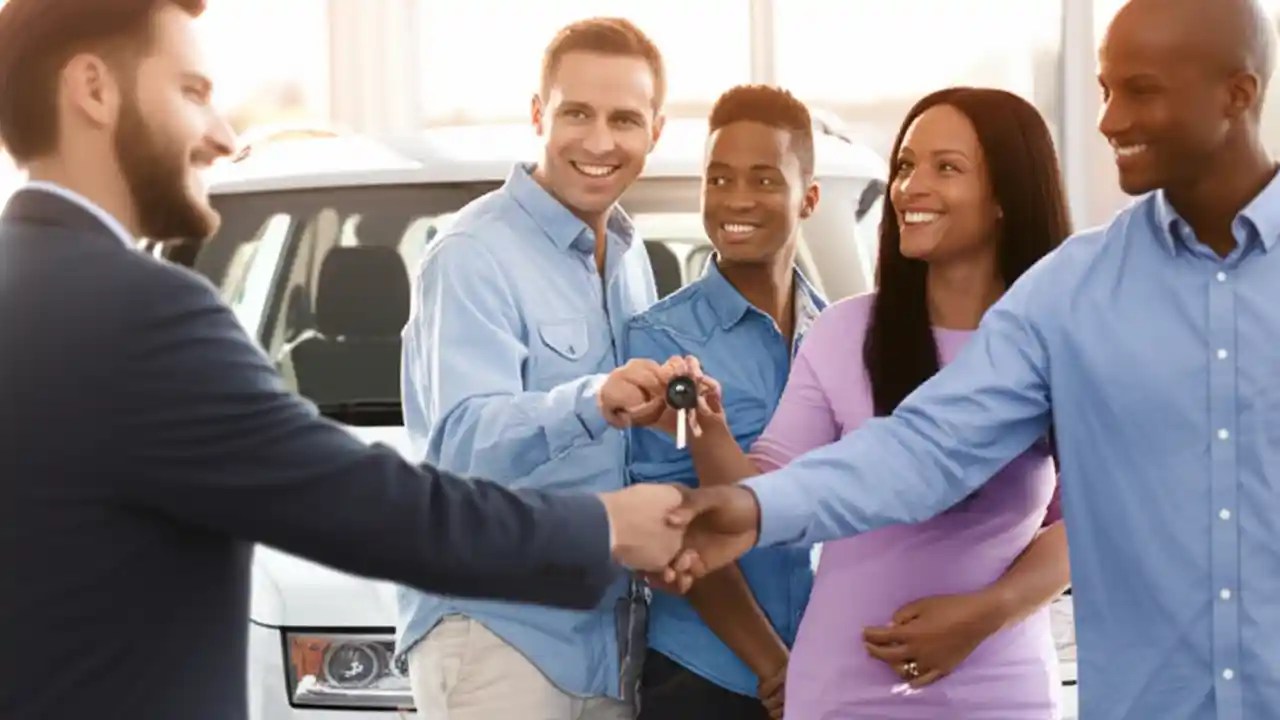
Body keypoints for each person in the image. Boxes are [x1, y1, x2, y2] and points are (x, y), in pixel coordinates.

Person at [0, 2, 688, 719]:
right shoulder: (139, 313)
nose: (223, 134)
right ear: (93, 88)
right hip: (504, 632)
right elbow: (370, 504)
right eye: (193, 92)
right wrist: (603, 528)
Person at [668, 1, 1280, 718]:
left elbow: (1076, 516)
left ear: (1238, 95)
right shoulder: (1070, 294)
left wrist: (991, 609)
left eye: (1139, 91)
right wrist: (742, 503)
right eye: (1105, 90)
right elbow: (922, 450)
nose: (1108, 121)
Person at [654, 86, 1072, 718]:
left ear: (1005, 199)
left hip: (999, 688)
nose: (910, 187)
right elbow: (770, 491)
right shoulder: (846, 333)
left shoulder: (1058, 344)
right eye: (905, 165)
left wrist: (985, 615)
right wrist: (705, 426)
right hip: (843, 688)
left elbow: (1086, 522)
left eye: (946, 167)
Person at [395, 16, 669, 720]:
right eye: (578, 112)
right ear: (539, 114)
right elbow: (458, 443)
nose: (600, 141)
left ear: (655, 131)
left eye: (625, 119)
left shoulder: (634, 258)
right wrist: (591, 400)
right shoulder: (472, 254)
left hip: (611, 642)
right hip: (498, 632)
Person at [625, 85, 824, 720]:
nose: (736, 199)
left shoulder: (838, 338)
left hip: (829, 672)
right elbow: (676, 524)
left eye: (765, 179)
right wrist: (777, 669)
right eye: (719, 178)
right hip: (704, 679)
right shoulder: (662, 343)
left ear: (808, 198)